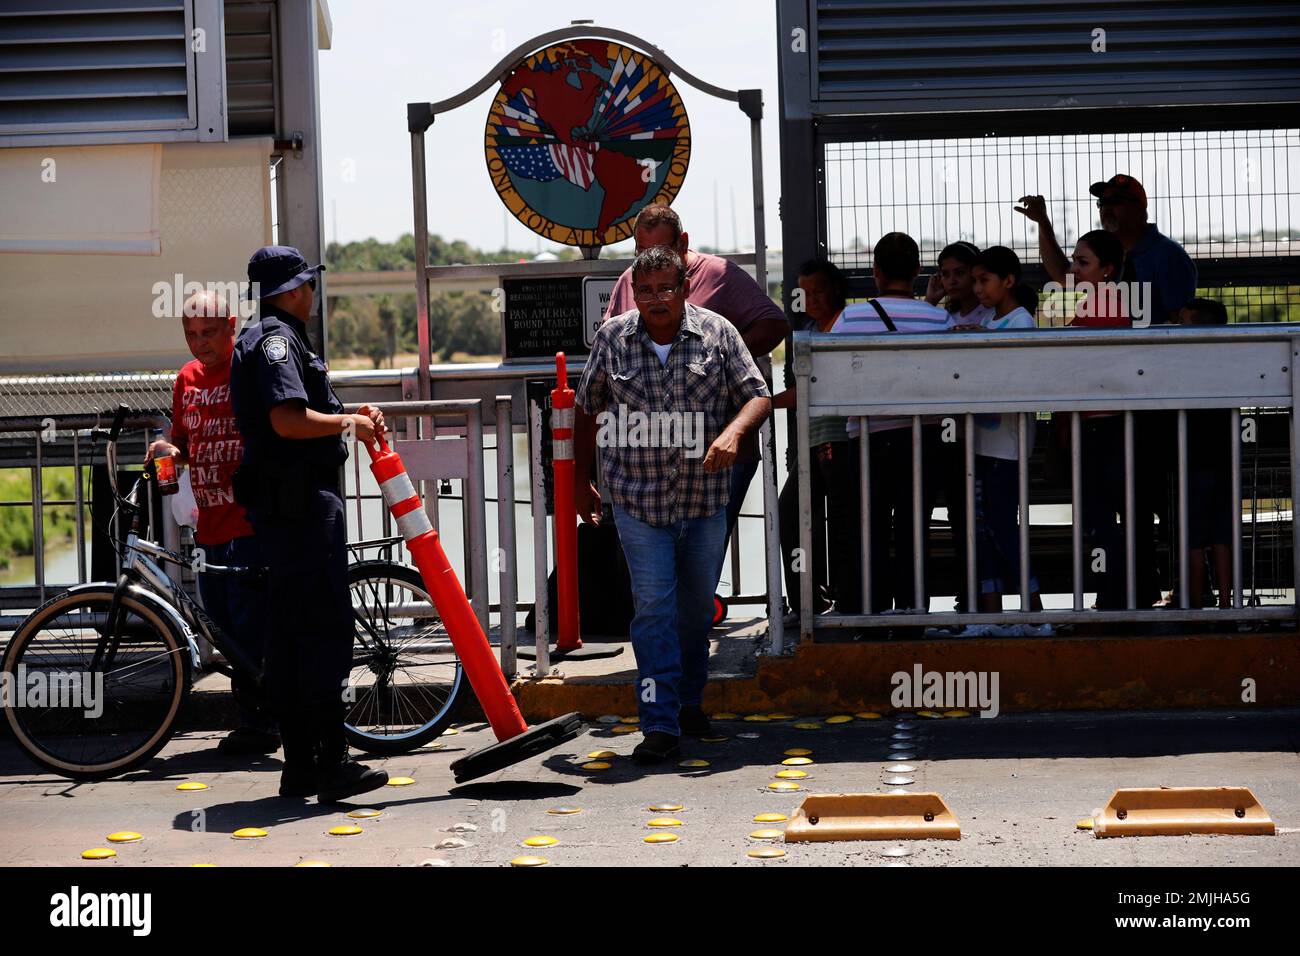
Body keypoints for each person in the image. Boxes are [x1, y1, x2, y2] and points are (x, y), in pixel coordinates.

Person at [575, 246, 771, 763]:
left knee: (692, 613)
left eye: (666, 288)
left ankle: (688, 704)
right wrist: (579, 482)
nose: (656, 299)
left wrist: (732, 433)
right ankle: (658, 722)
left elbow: (758, 394)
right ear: (633, 294)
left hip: (704, 498)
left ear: (684, 287)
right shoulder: (613, 338)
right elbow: (584, 407)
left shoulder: (719, 333)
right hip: (636, 499)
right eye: (645, 291)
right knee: (654, 609)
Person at [229, 245, 389, 802]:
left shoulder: (268, 339)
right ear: (295, 289)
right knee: (321, 633)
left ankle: (300, 766)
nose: (313, 293)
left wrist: (351, 419)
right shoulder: (277, 341)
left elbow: (297, 415)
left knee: (293, 636)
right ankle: (330, 766)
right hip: (300, 509)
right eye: (309, 284)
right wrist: (353, 424)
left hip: (286, 510)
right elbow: (288, 420)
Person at [603, 204, 787, 543]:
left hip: (716, 459)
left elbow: (775, 323)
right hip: (646, 469)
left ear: (683, 243)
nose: (652, 261)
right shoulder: (629, 282)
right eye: (642, 251)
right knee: (653, 581)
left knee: (701, 574)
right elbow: (604, 364)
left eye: (662, 250)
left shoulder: (720, 275)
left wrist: (722, 361)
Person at [147, 290, 276, 755]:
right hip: (209, 524)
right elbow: (181, 441)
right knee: (224, 627)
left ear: (230, 324)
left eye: (208, 332)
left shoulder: (248, 365)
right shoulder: (186, 378)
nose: (199, 343)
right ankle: (256, 722)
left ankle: (261, 726)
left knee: (250, 627)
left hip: (249, 520)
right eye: (190, 333)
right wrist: (167, 451)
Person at [830, 232, 951, 613]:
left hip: (868, 438)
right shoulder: (940, 318)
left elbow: (831, 378)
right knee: (916, 526)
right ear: (917, 270)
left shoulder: (852, 316)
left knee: (872, 528)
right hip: (925, 439)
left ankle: (874, 612)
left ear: (875, 271)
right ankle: (915, 610)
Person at [962, 247, 1044, 626]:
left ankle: (1033, 608)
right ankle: (992, 614)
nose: (977, 289)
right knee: (983, 531)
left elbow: (1019, 377)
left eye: (984, 280)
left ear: (1008, 280)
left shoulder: (1020, 322)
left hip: (1006, 449)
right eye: (974, 281)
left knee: (1001, 528)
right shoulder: (990, 322)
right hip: (981, 446)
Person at [773, 259, 853, 616]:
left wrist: (763, 404)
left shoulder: (847, 326)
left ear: (836, 289)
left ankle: (843, 600)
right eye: (804, 293)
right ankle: (806, 600)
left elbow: (808, 388)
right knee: (791, 512)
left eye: (818, 291)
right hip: (815, 440)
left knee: (838, 521)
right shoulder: (808, 331)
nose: (812, 299)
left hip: (841, 438)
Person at [1015, 174, 1197, 325]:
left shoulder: (1169, 256)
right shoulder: (1106, 250)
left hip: (1149, 359)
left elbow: (1180, 322)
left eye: (1115, 201)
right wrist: (1042, 221)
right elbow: (1064, 276)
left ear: (1140, 208)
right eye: (1102, 202)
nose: (1106, 208)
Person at [924, 240, 986, 606]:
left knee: (968, 521)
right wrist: (929, 301)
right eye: (945, 273)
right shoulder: (940, 316)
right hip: (942, 433)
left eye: (960, 273)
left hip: (977, 436)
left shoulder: (988, 318)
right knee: (941, 516)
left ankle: (972, 600)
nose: (951, 280)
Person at [1180, 297, 1235, 610]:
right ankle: (1227, 604)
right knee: (1222, 536)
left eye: (1182, 322)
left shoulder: (1187, 363)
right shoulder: (1226, 361)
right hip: (1224, 459)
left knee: (1194, 538)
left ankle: (1195, 604)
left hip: (1194, 459)